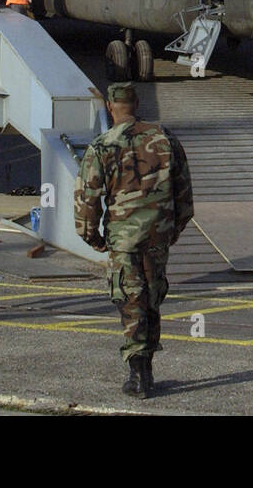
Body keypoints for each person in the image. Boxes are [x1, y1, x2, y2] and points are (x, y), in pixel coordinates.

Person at [74, 82, 194, 398]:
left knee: (130, 300)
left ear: (110, 108)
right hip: (158, 235)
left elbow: (87, 200)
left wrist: (94, 238)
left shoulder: (101, 147)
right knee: (152, 297)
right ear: (136, 103)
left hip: (123, 239)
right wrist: (173, 230)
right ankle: (148, 368)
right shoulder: (165, 138)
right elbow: (184, 194)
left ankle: (138, 374)